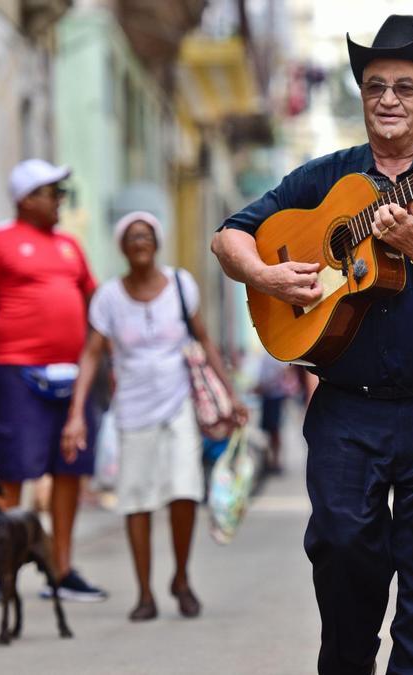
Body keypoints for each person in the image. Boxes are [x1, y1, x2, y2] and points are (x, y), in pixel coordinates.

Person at [212, 14, 413, 674]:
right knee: (344, 552)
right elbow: (228, 235)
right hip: (348, 408)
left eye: (406, 86)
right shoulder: (327, 177)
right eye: (375, 85)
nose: (389, 99)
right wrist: (262, 271)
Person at [61, 212, 245, 622]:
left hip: (178, 402)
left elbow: (204, 340)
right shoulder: (108, 297)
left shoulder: (180, 285)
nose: (140, 242)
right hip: (132, 408)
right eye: (132, 237)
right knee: (137, 499)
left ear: (156, 242)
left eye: (146, 235)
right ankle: (144, 593)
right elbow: (91, 354)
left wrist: (231, 396)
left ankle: (180, 577)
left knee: (184, 490)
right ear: (122, 247)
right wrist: (76, 413)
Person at [0, 159, 106, 602]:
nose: (60, 201)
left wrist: (107, 366)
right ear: (27, 198)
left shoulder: (70, 246)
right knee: (12, 470)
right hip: (15, 371)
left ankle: (61, 570)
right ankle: (0, 571)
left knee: (69, 469)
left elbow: (94, 303)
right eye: (52, 193)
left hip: (72, 376)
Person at [255, 352, 294, 474]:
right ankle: (270, 461)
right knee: (268, 431)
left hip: (275, 396)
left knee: (275, 430)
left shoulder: (277, 355)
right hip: (268, 396)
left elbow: (284, 372)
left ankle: (275, 461)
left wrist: (268, 385)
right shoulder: (267, 355)